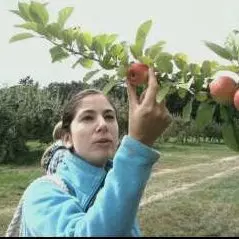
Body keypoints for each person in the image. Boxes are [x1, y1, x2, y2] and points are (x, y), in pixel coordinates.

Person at [19, 68, 172, 237]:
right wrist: (138, 146)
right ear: (67, 138)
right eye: (88, 118)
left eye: (109, 117)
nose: (103, 125)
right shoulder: (41, 194)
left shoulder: (113, 185)